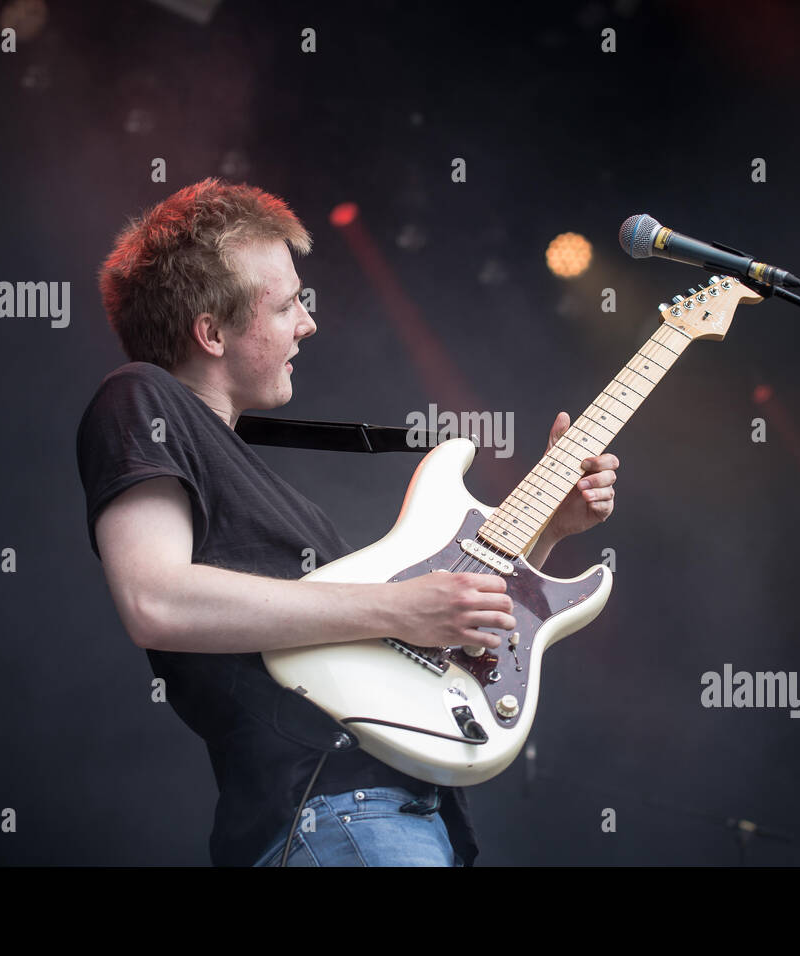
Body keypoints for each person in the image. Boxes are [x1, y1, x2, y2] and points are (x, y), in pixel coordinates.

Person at [75, 178, 619, 866]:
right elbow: (155, 599)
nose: (307, 322)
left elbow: (409, 635)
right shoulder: (137, 395)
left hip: (392, 818)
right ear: (210, 331)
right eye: (286, 305)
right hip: (334, 816)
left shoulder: (253, 476)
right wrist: (397, 607)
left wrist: (551, 529)